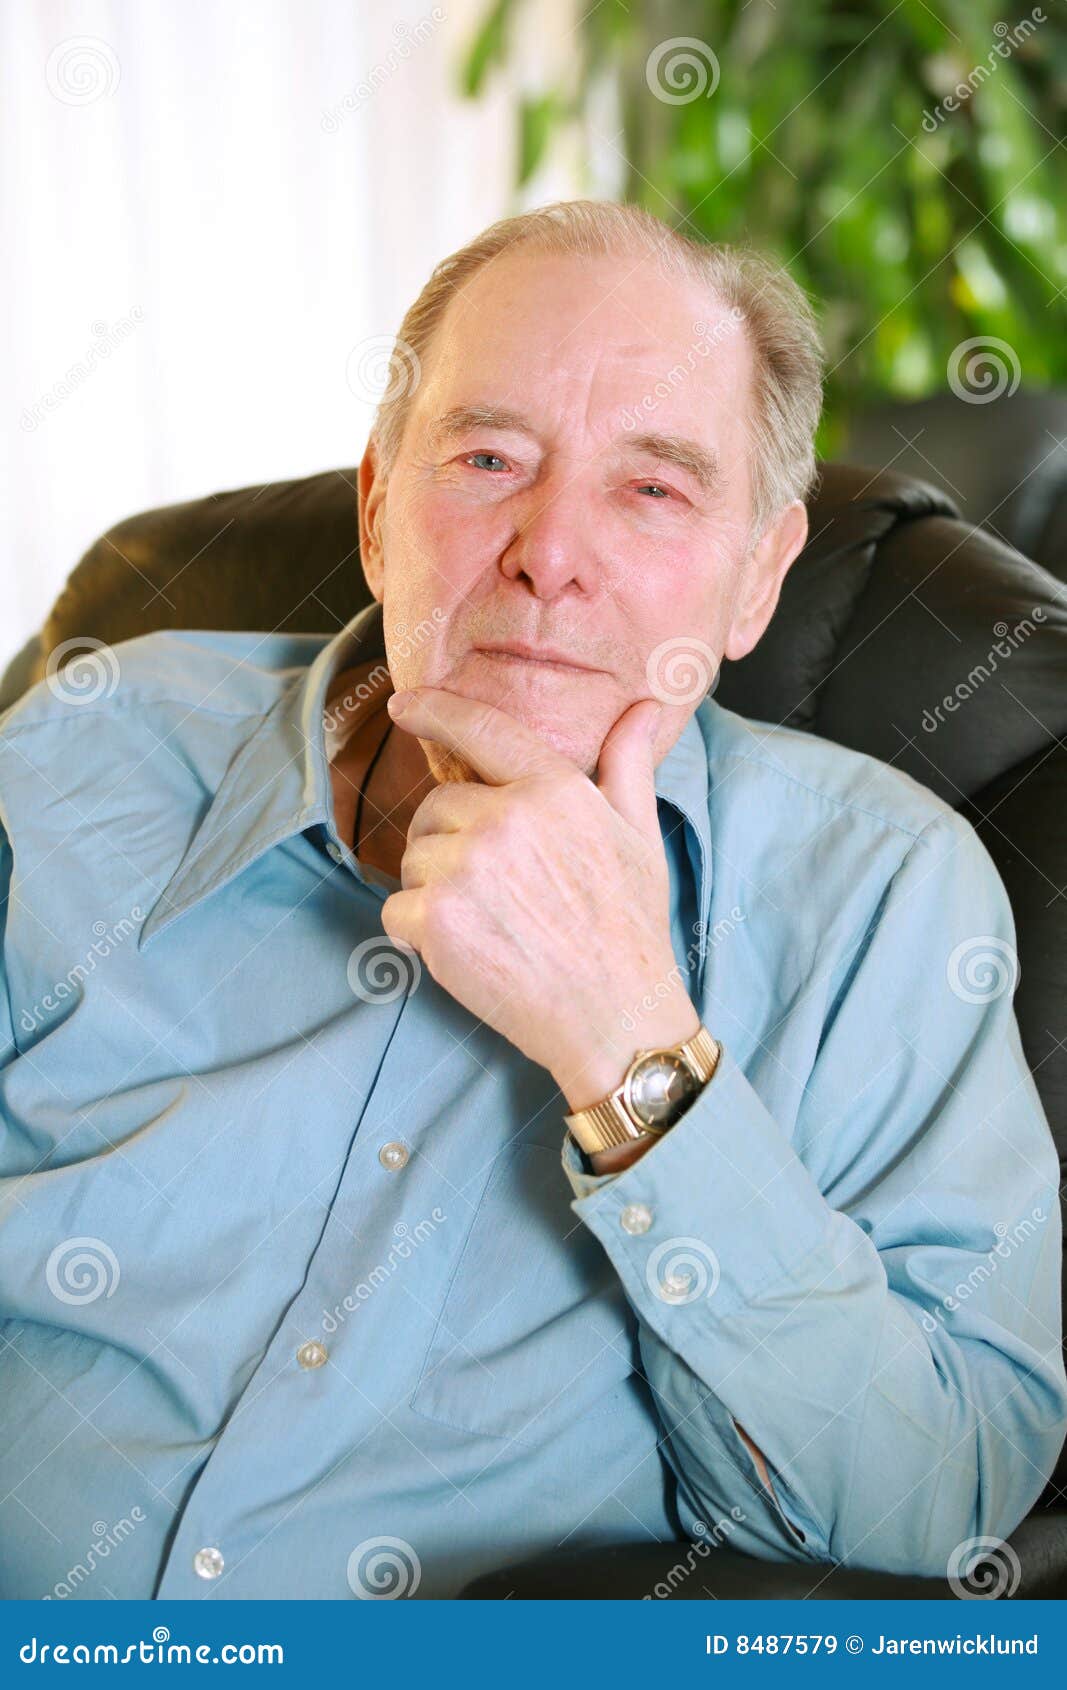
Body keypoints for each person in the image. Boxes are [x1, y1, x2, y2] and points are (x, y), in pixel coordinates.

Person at [0, 200, 1063, 1601]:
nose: (547, 552)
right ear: (380, 512)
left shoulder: (881, 897)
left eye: (654, 488)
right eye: (489, 458)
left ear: (757, 578)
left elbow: (942, 1502)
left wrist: (630, 1051)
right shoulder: (72, 754)